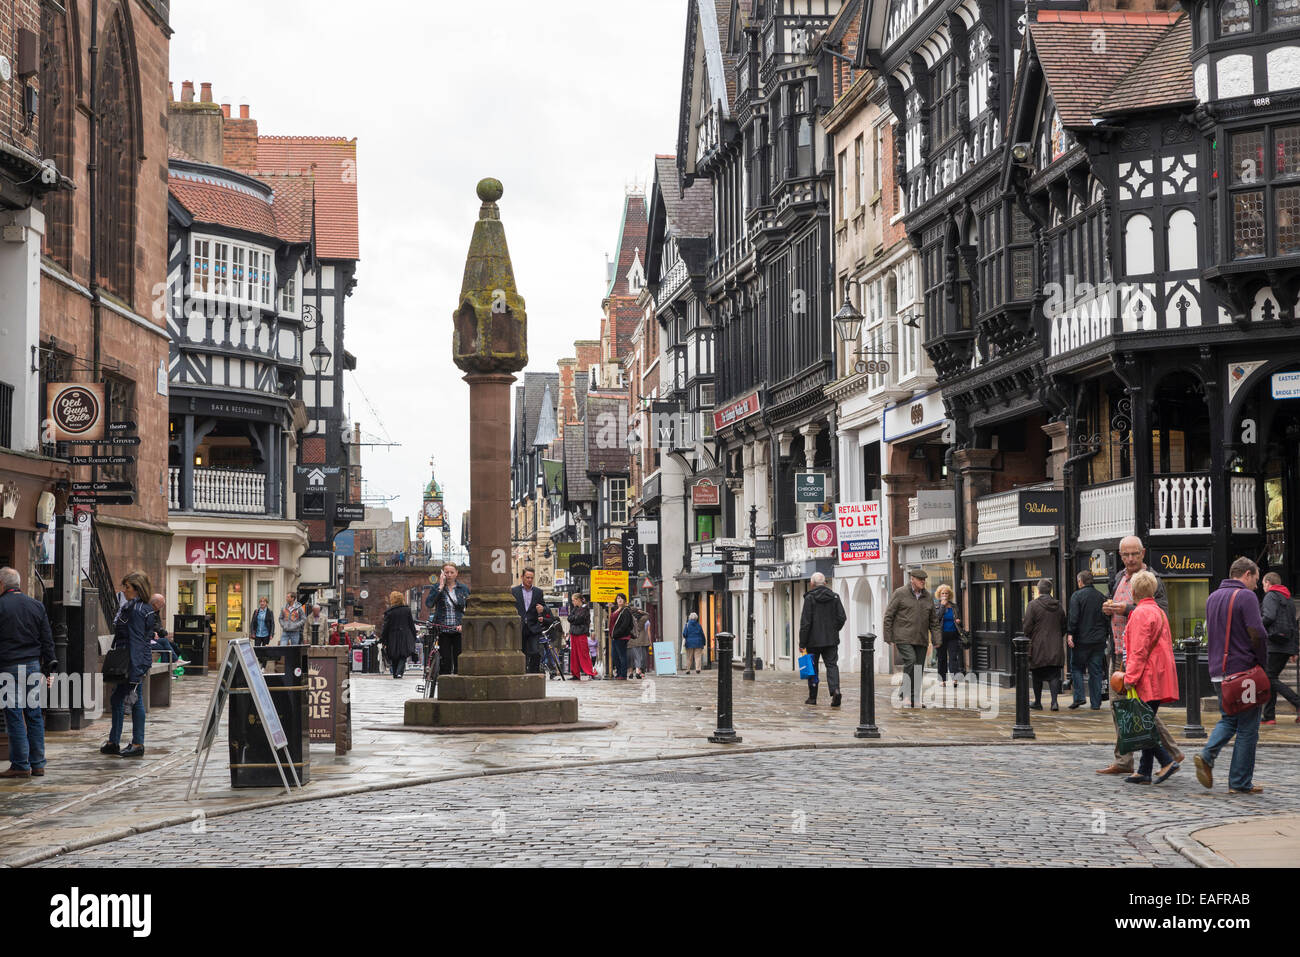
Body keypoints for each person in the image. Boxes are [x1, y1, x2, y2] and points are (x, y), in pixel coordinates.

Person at [1097, 536, 1185, 774]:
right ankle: (1139, 761)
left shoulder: (1151, 580)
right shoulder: (1118, 578)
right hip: (1117, 650)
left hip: (1136, 658)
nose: (1130, 559)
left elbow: (1160, 612)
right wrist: (1108, 609)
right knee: (1125, 709)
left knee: (1137, 709)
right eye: (1125, 555)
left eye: (1134, 554)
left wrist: (1126, 609)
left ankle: (1163, 756)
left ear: (1143, 553)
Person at [1196, 557, 1269, 794]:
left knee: (1229, 719)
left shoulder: (1212, 597)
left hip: (1218, 672)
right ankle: (1239, 782)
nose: (1256, 586)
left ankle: (1208, 756)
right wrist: (1261, 663)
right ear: (1247, 574)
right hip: (1243, 672)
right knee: (1248, 727)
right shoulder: (1246, 596)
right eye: (1256, 580)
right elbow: (1257, 632)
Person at [1121, 571, 1181, 784]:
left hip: (1148, 676)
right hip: (1160, 673)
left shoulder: (1140, 613)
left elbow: (1139, 650)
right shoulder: (1158, 611)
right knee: (1146, 719)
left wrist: (1130, 677)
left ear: (1133, 591)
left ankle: (1166, 761)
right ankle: (1144, 771)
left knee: (1143, 723)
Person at [0, 567, 55, 778]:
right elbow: (47, 639)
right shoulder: (36, 605)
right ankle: (38, 764)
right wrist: (50, 666)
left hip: (8, 667)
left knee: (14, 715)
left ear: (2, 584)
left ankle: (21, 765)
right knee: (34, 715)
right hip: (32, 666)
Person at [101, 571, 155, 759]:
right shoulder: (139, 607)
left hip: (132, 661)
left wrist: (136, 670)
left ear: (137, 589)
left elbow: (137, 640)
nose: (124, 590)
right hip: (132, 659)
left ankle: (137, 743)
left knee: (135, 700)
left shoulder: (137, 610)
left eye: (128, 587)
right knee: (119, 699)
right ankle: (114, 741)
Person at [882, 568, 940, 708]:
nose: (923, 582)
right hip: (903, 636)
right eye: (920, 579)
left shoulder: (927, 597)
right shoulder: (900, 593)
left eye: (924, 580)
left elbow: (933, 620)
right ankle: (907, 695)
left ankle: (915, 698)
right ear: (912, 579)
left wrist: (937, 639)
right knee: (911, 660)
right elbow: (889, 616)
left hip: (921, 637)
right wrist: (888, 635)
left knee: (918, 668)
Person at [799, 572, 847, 707]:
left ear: (812, 584)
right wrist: (834, 629)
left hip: (812, 641)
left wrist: (802, 643)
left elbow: (805, 623)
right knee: (832, 665)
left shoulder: (809, 598)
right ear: (825, 583)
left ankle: (812, 697)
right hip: (831, 640)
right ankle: (835, 690)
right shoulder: (835, 597)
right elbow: (842, 617)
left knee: (812, 668)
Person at [1259, 571, 1300, 724]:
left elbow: (1268, 617)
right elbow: (1294, 626)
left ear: (1269, 583)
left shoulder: (1271, 595)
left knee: (1269, 677)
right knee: (1271, 678)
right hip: (1286, 645)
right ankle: (1269, 716)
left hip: (1274, 644)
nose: (1263, 587)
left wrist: (1256, 627)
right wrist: (1294, 650)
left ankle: (1297, 702)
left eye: (1263, 584)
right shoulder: (1288, 599)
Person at [1067, 570, 1108, 710]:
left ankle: (1079, 697)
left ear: (1080, 581)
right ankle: (1096, 703)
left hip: (1081, 640)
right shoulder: (1101, 597)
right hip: (1098, 641)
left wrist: (1070, 633)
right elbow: (1106, 618)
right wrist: (1105, 635)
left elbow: (1074, 617)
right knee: (1095, 671)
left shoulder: (1076, 596)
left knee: (1076, 668)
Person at [1023, 578, 1066, 711]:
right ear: (1050, 590)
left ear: (1039, 590)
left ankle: (1038, 702)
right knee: (1054, 675)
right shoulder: (1058, 606)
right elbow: (1064, 625)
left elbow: (1027, 627)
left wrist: (1028, 635)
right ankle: (1054, 702)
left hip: (1038, 646)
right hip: (1055, 646)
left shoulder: (1032, 605)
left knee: (1037, 675)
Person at [425, 562, 469, 676]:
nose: (449, 575)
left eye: (451, 572)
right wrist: (440, 586)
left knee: (459, 661)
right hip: (443, 629)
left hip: (458, 629)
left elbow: (470, 609)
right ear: (442, 574)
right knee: (445, 662)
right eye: (446, 572)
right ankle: (445, 687)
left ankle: (459, 688)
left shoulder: (463, 589)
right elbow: (429, 604)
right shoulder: (437, 587)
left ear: (456, 573)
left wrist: (464, 624)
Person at [511, 568, 546, 674]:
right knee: (521, 653)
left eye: (531, 578)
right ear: (522, 577)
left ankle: (533, 674)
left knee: (535, 652)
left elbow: (543, 606)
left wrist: (543, 609)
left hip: (533, 627)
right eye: (527, 577)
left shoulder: (538, 592)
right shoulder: (514, 591)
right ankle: (521, 673)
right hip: (519, 627)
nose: (530, 580)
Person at [380, 591, 417, 679]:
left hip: (392, 636)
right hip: (405, 635)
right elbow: (411, 624)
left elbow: (386, 627)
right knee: (403, 655)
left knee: (394, 655)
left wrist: (383, 638)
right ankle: (399, 672)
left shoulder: (390, 612)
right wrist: (413, 635)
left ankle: (395, 673)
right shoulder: (407, 610)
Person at [934, 584, 964, 687]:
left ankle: (955, 679)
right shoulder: (936, 606)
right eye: (942, 593)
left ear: (949, 594)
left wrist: (959, 621)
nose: (945, 595)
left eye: (946, 593)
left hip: (953, 635)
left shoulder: (954, 606)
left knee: (953, 658)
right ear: (939, 594)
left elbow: (960, 620)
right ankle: (942, 680)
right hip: (941, 636)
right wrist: (942, 605)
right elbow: (936, 619)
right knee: (942, 658)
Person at [567, 594, 597, 680]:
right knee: (574, 655)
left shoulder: (585, 609)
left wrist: (574, 619)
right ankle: (575, 674)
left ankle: (590, 672)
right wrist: (574, 619)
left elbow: (578, 619)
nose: (572, 602)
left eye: (573, 600)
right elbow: (570, 618)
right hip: (574, 633)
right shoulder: (575, 609)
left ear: (579, 600)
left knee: (583, 654)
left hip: (581, 633)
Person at [608, 593, 635, 680]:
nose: (619, 600)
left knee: (622, 656)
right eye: (618, 598)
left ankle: (623, 674)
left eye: (621, 598)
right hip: (614, 637)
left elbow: (625, 625)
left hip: (622, 637)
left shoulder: (626, 611)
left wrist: (616, 633)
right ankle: (618, 673)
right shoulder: (615, 609)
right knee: (615, 656)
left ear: (624, 601)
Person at [629, 606, 652, 678]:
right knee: (641, 658)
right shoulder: (643, 620)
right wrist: (643, 612)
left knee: (632, 658)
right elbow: (647, 615)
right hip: (642, 641)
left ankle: (631, 672)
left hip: (632, 640)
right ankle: (639, 671)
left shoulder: (630, 619)